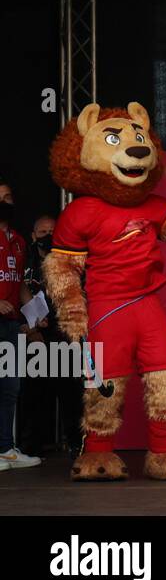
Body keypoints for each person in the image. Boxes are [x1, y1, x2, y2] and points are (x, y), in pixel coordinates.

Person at [18, 212, 82, 456]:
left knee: (71, 393)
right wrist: (30, 325)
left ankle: (77, 442)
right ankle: (31, 447)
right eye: (43, 233)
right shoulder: (24, 262)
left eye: (52, 232)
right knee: (34, 394)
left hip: (64, 333)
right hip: (34, 335)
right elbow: (16, 293)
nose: (48, 237)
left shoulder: (72, 263)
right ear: (33, 236)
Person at [0, 183, 39, 471]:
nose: (4, 201)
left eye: (7, 197)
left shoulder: (18, 239)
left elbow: (19, 283)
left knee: (10, 387)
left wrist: (34, 314)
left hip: (11, 325)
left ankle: (5, 449)